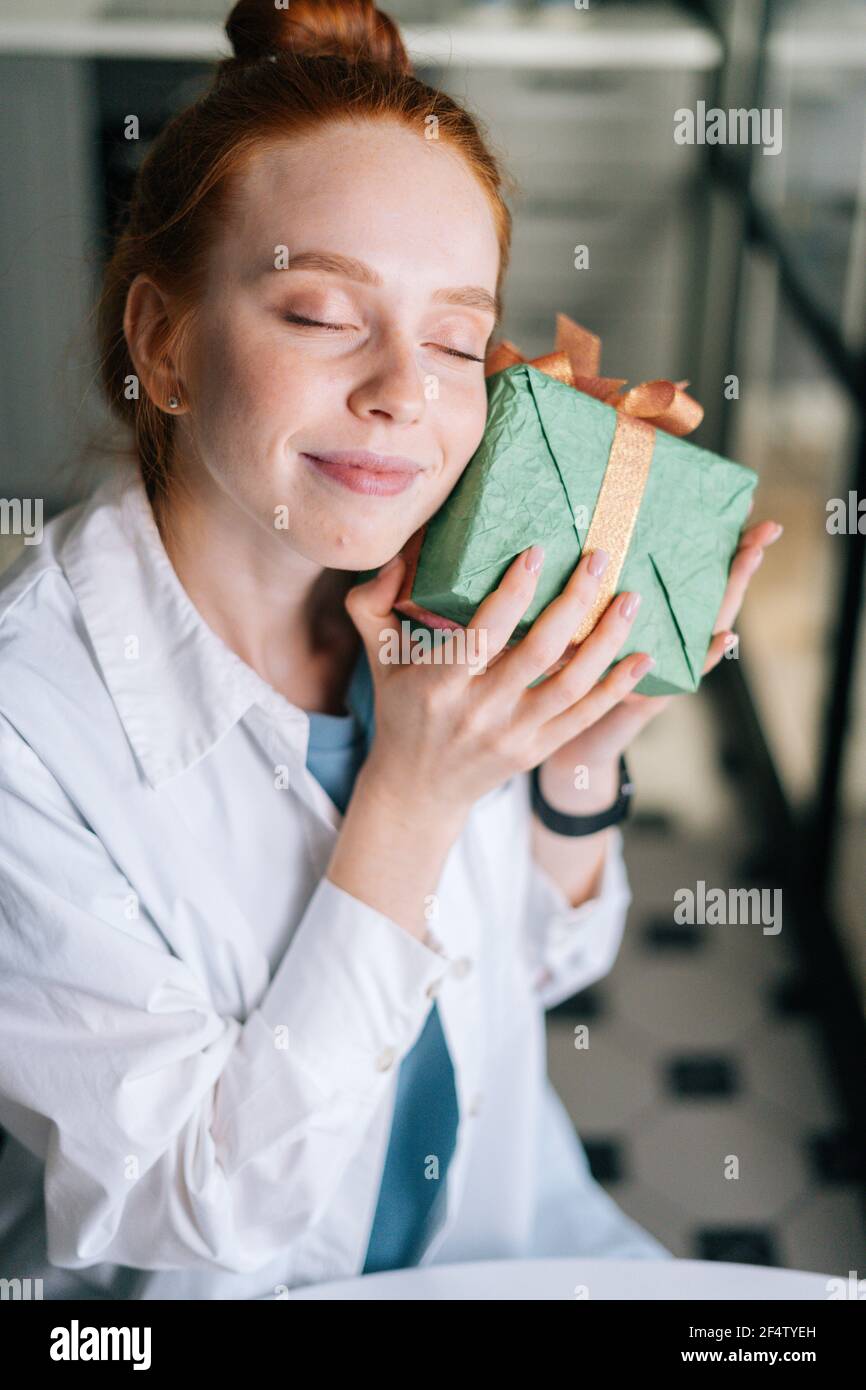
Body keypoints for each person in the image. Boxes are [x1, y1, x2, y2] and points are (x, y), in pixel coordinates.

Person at [0, 0, 781, 1300]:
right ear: (165, 343)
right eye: (318, 315)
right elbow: (201, 1206)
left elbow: (540, 963)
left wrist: (576, 769)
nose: (402, 393)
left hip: (515, 1245)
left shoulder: (453, 574)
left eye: (455, 338)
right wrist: (411, 796)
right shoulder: (29, 732)